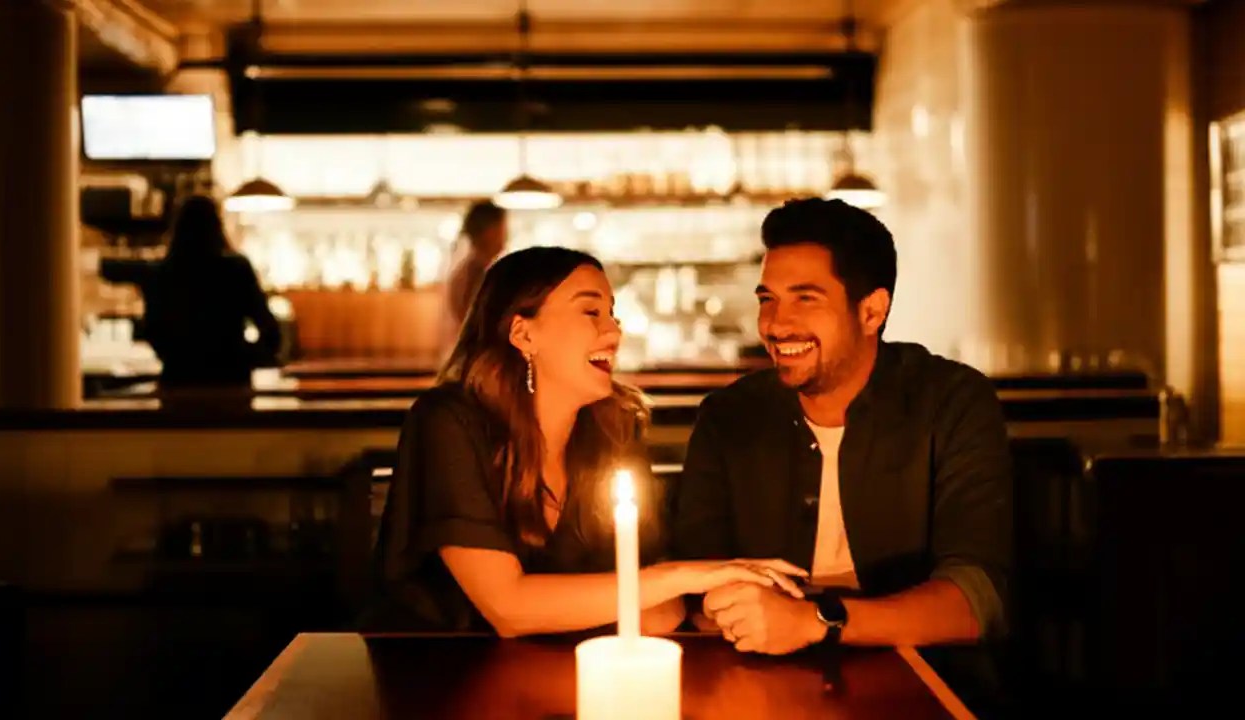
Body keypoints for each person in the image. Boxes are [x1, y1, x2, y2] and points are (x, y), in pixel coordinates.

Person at [365, 246, 806, 636]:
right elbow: (509, 608)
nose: (614, 332)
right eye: (591, 312)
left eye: (612, 313)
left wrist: (678, 587)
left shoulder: (615, 428)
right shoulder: (449, 422)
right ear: (523, 334)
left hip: (567, 676)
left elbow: (659, 613)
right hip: (431, 673)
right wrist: (686, 577)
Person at [672, 198, 1012, 658]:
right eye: (767, 299)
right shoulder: (729, 417)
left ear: (872, 311)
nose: (775, 323)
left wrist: (815, 622)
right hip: (758, 672)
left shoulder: (950, 402)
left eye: (805, 299)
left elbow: (977, 600)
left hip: (924, 675)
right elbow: (694, 586)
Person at [139, 195, 281, 401]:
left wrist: (177, 357)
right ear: (217, 226)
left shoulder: (160, 273)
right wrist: (242, 356)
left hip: (177, 385)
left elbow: (152, 331)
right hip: (231, 385)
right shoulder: (237, 269)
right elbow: (271, 333)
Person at [438, 200, 508, 360]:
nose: (505, 235)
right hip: (471, 362)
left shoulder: (471, 267)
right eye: (503, 228)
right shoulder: (475, 272)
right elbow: (476, 324)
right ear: (490, 231)